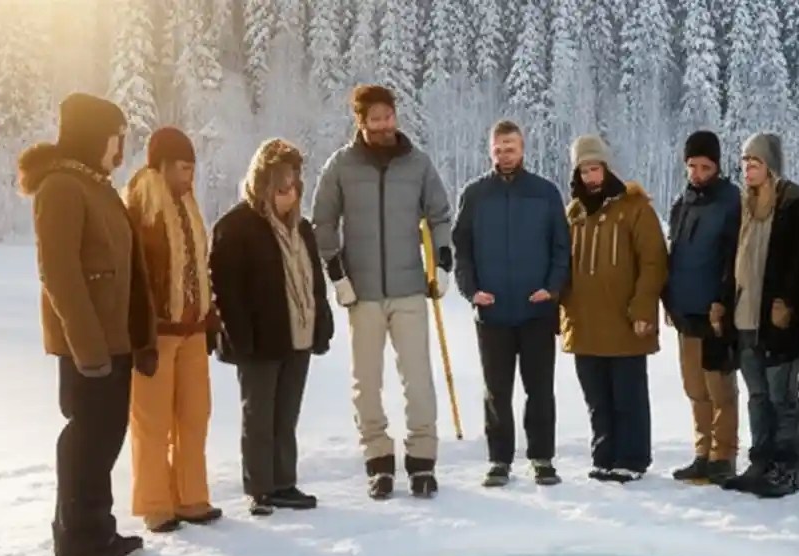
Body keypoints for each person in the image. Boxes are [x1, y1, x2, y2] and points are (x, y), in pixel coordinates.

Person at [17, 92, 155, 556]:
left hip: (112, 338)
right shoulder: (61, 188)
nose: (121, 150)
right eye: (117, 139)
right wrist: (88, 347)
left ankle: (97, 529)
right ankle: (78, 542)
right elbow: (59, 272)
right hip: (89, 343)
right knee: (86, 437)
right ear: (94, 136)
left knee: (104, 435)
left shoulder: (95, 186)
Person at [312, 84, 453, 500]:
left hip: (410, 288)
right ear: (361, 122)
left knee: (419, 381)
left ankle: (423, 461)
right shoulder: (341, 166)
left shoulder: (418, 164)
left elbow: (440, 215)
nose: (383, 125)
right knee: (366, 383)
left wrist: (443, 263)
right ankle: (378, 461)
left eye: (388, 116)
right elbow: (323, 222)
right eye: (375, 119)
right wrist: (337, 274)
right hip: (364, 294)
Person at [210, 139, 334, 516]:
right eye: (282, 186)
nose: (290, 193)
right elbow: (226, 288)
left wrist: (322, 325)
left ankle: (284, 482)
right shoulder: (236, 227)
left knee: (286, 415)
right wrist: (240, 338)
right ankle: (260, 488)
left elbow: (314, 281)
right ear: (263, 184)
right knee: (259, 415)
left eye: (295, 185)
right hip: (258, 340)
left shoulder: (303, 230)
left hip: (297, 334)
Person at [453, 120, 570, 487]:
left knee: (539, 388)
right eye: (499, 149)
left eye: (511, 148)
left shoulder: (545, 193)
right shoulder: (474, 195)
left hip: (536, 309)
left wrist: (552, 289)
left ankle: (542, 458)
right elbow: (463, 251)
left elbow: (561, 248)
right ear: (491, 151)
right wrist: (472, 292)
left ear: (523, 149)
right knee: (497, 390)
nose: (505, 155)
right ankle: (499, 460)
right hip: (493, 312)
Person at [122, 126, 222, 533]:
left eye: (193, 168)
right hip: (157, 332)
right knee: (153, 421)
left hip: (193, 329)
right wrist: (139, 334)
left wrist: (211, 316)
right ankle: (155, 503)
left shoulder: (188, 205)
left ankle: (191, 496)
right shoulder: (143, 203)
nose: (190, 176)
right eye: (183, 167)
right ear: (162, 165)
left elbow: (200, 268)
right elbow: (136, 276)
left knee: (195, 415)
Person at [560, 134, 668, 482]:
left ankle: (632, 458)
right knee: (597, 398)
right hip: (585, 322)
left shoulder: (635, 209)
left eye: (596, 168)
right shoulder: (573, 214)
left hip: (625, 321)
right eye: (584, 170)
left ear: (607, 168)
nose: (591, 176)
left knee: (627, 396)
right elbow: (561, 265)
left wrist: (643, 309)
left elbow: (653, 262)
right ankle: (604, 455)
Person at [727, 132, 799, 498]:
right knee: (757, 396)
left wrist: (788, 303)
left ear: (771, 166)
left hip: (777, 318)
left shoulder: (796, 203)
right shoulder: (744, 205)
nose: (748, 169)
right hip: (745, 316)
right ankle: (761, 461)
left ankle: (786, 467)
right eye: (745, 162)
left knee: (783, 397)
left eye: (756, 162)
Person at [662, 130, 742, 485]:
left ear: (717, 166)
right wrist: (669, 300)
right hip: (685, 310)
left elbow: (732, 258)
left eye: (705, 166)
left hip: (714, 312)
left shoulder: (730, 202)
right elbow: (673, 254)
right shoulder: (682, 203)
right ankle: (702, 452)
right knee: (694, 387)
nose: (697, 173)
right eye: (692, 166)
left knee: (719, 387)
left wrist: (723, 302)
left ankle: (723, 455)